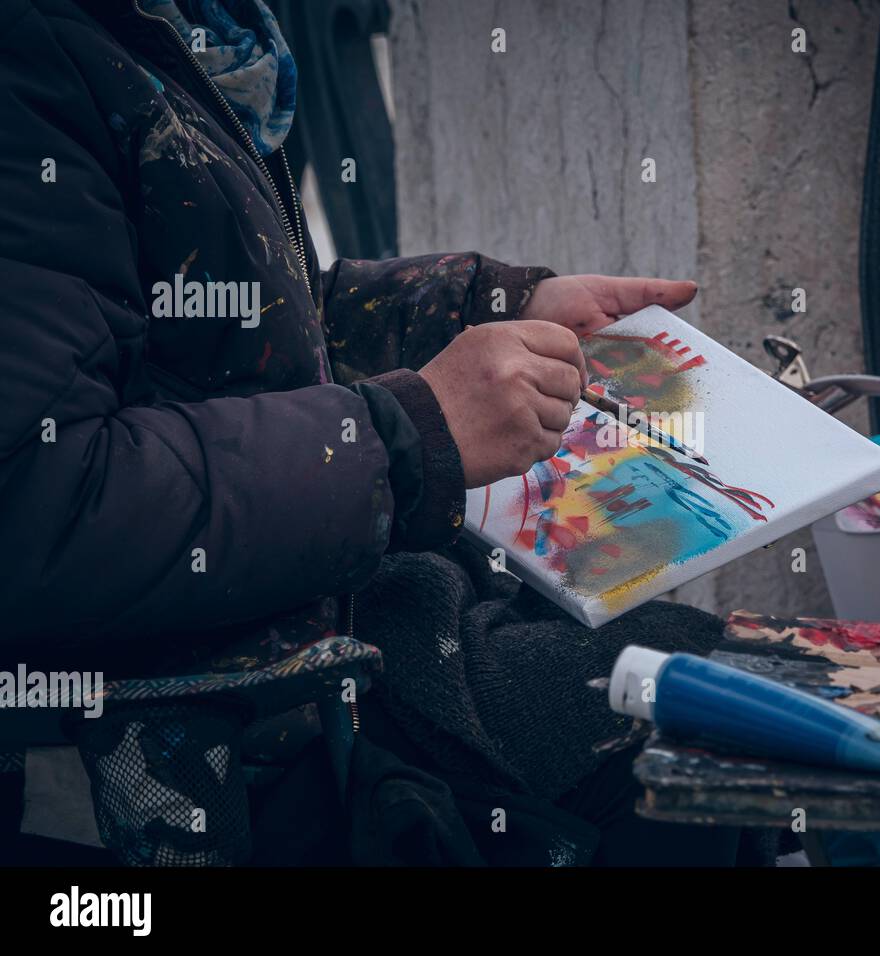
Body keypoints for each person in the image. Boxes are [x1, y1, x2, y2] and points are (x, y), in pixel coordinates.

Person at [0, 0, 738, 865]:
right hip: (197, 738)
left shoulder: (175, 36)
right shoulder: (33, 62)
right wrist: (407, 433)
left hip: (319, 629)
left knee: (707, 687)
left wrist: (484, 309)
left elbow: (223, 334)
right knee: (677, 745)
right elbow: (38, 502)